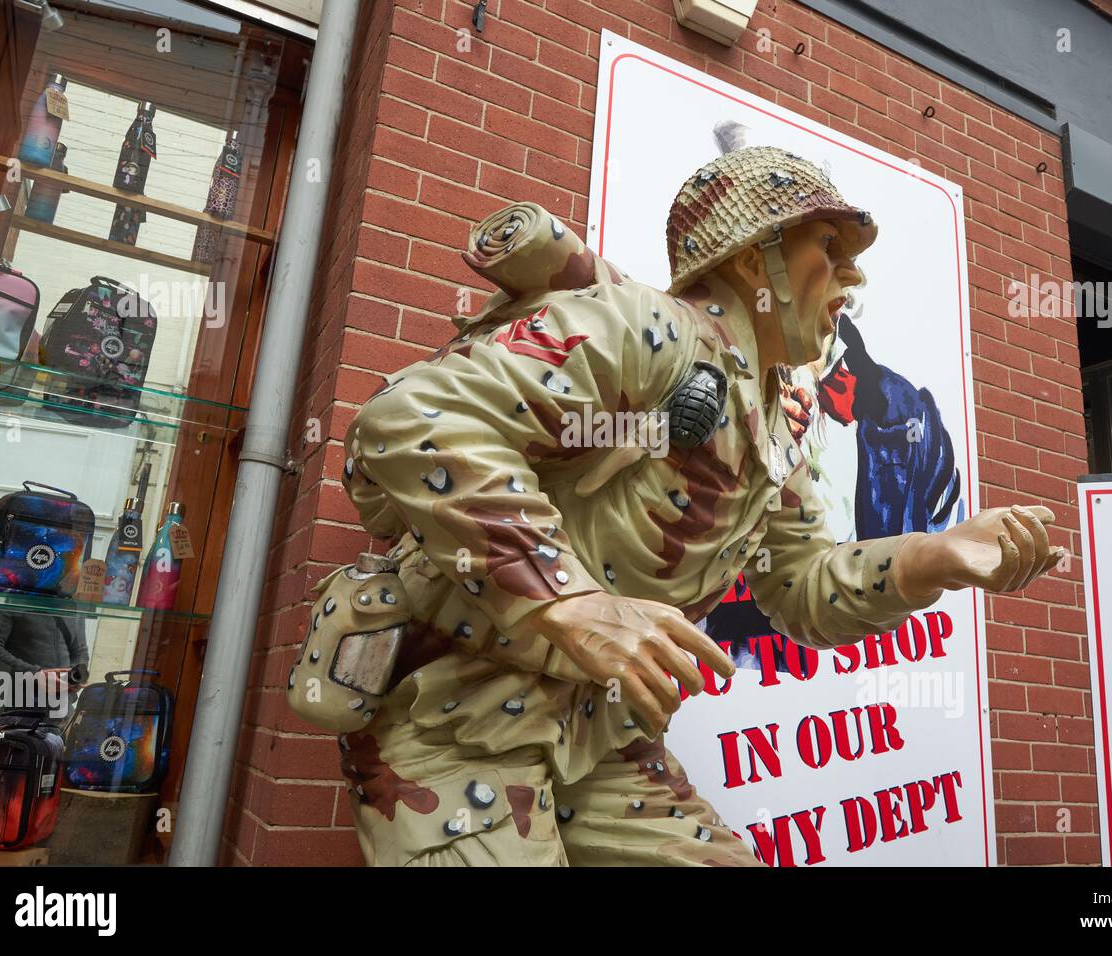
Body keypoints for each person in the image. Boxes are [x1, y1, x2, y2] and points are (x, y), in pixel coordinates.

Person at [325, 146, 1064, 866]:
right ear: (753, 261)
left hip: (603, 740)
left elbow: (803, 589)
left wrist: (934, 555)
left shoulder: (776, 421)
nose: (853, 271)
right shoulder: (651, 329)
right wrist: (570, 604)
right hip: (456, 726)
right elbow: (412, 421)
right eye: (830, 244)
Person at [0, 608, 87, 726]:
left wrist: (74, 677)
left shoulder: (73, 604)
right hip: (11, 711)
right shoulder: (12, 598)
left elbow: (80, 651)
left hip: (60, 712)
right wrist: (35, 674)